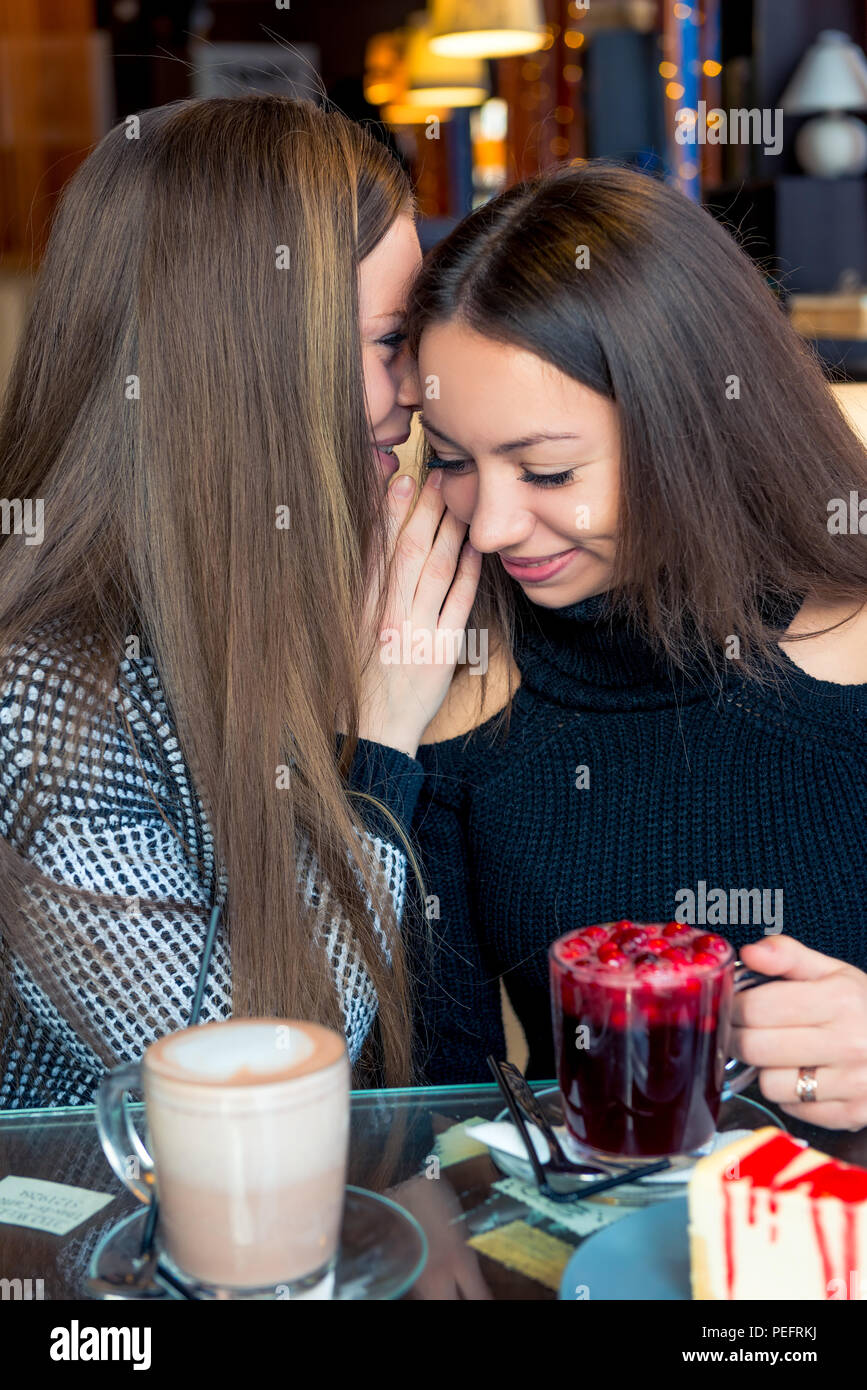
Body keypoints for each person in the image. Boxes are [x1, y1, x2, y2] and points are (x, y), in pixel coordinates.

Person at [0, 93, 478, 1108]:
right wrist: (377, 742)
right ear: (252, 357)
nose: (418, 388)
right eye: (391, 340)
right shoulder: (39, 689)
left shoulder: (310, 565)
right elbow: (244, 1069)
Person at [405, 162, 867, 1131]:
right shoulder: (450, 676)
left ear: (689, 428)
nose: (488, 525)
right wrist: (374, 743)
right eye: (450, 460)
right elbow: (425, 1114)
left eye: (546, 469)